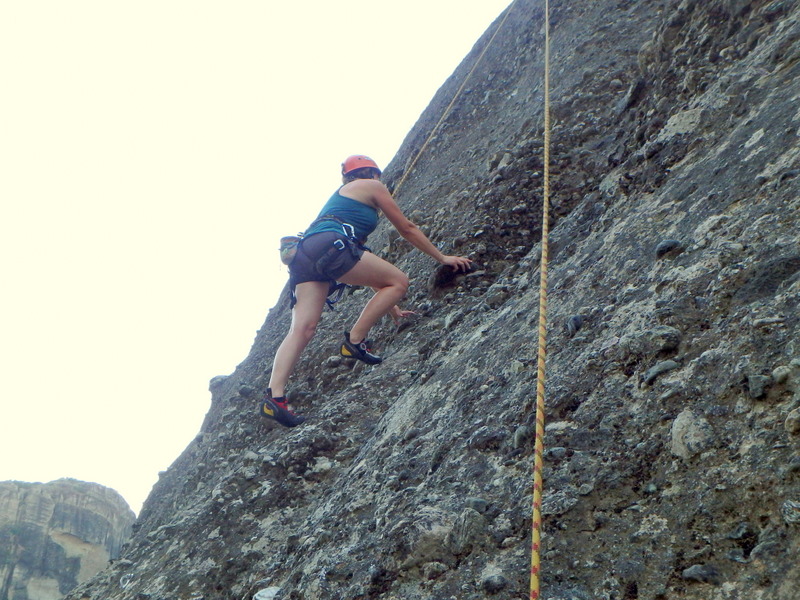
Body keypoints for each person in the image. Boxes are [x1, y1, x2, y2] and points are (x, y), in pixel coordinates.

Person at [260, 155, 472, 427]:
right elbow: (406, 228)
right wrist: (442, 257)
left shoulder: (342, 197)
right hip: (332, 246)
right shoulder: (372, 186)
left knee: (303, 328)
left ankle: (274, 398)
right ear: (372, 173)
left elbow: (357, 263)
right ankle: (355, 341)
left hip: (305, 254)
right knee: (399, 281)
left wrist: (391, 307)